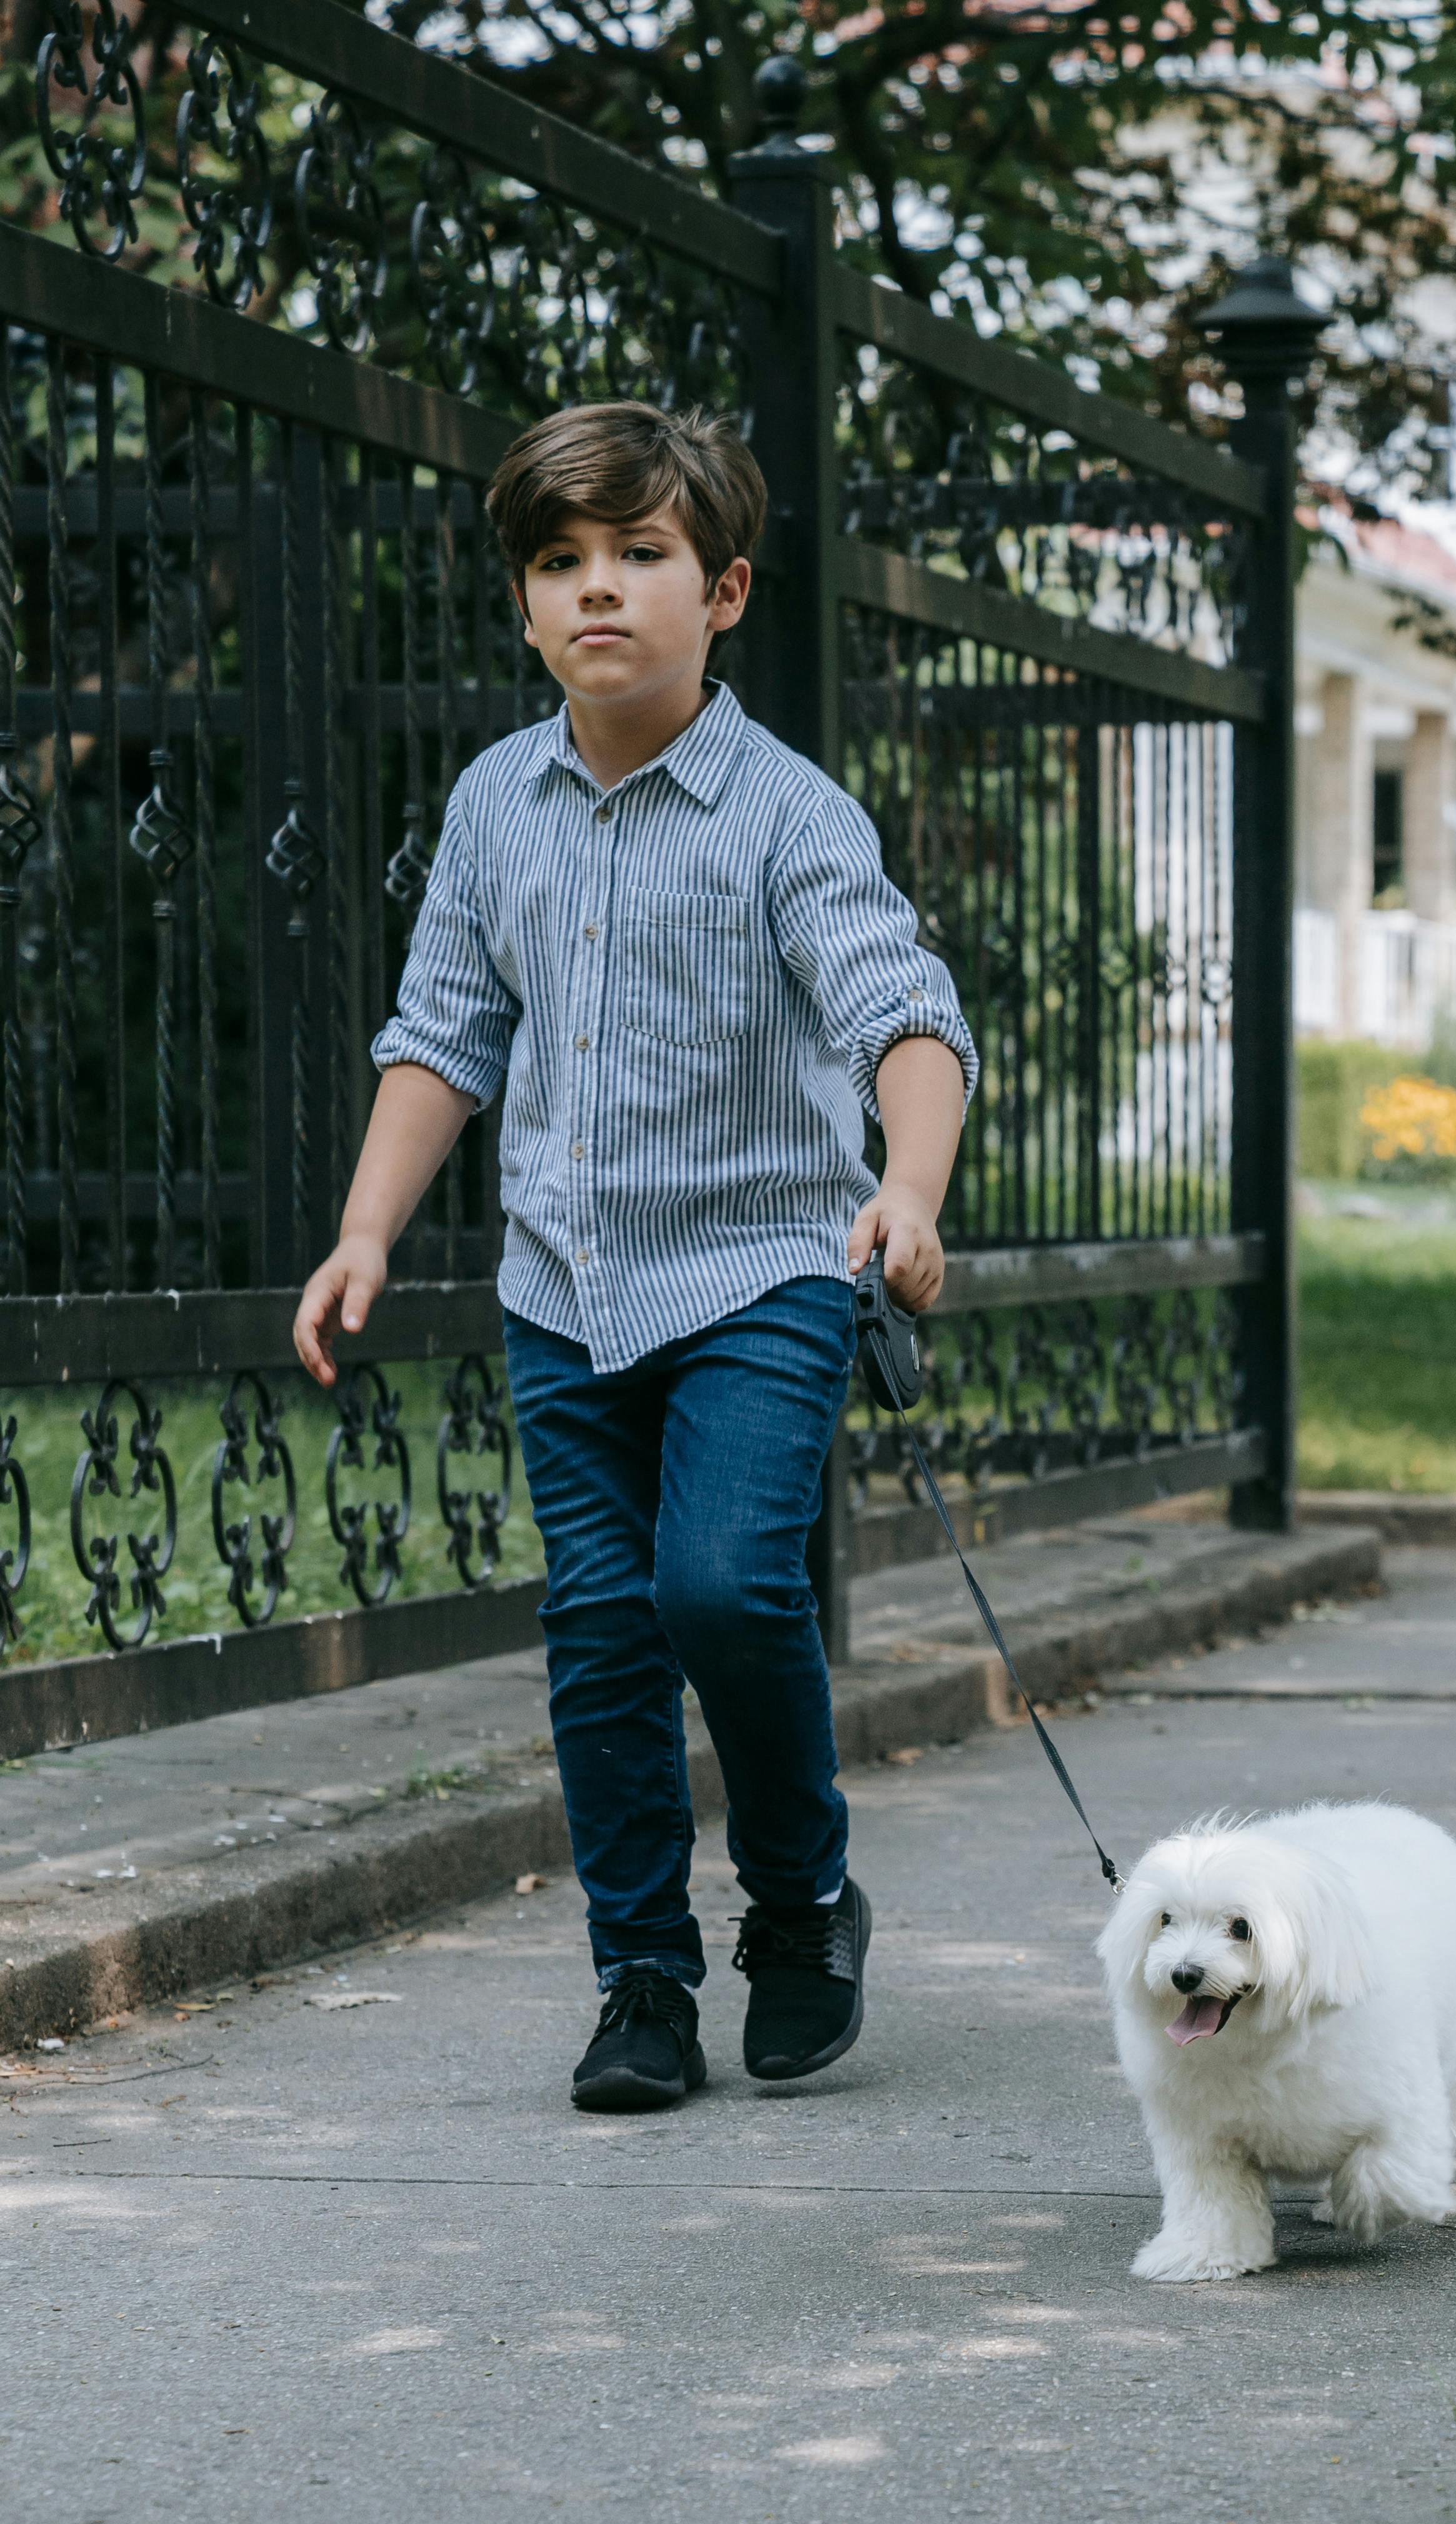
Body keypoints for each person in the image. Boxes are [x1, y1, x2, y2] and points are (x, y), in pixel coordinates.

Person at [292, 401, 976, 2111]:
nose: (599, 590)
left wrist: (908, 1189)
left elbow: (905, 1012)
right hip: (565, 1290)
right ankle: (644, 1982)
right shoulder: (493, 805)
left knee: (722, 1586)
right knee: (601, 1627)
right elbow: (441, 1032)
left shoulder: (787, 814)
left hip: (764, 1269)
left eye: (640, 555)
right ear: (526, 605)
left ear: (724, 590)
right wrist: (367, 1227)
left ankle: (804, 1897)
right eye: (560, 562)